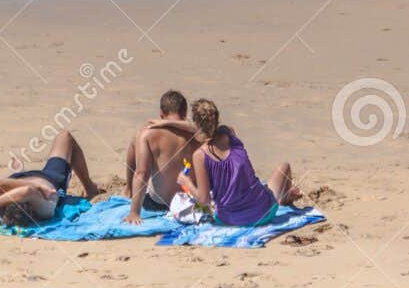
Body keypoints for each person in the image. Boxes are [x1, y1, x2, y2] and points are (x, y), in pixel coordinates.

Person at [0, 130, 103, 231]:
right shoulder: (45, 208)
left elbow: (1, 184)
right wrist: (37, 185)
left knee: (64, 137)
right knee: (65, 137)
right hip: (49, 179)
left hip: (20, 180)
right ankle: (90, 188)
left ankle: (89, 188)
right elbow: (26, 191)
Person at [183, 98, 300, 227]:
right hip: (264, 213)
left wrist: (186, 182)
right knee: (284, 166)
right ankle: (286, 197)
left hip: (229, 220)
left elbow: (204, 199)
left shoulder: (199, 155)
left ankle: (285, 196)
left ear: (196, 124)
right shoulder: (229, 133)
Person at [124, 90, 199, 224]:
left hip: (159, 203)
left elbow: (142, 173)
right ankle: (129, 189)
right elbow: (209, 128)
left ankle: (128, 189)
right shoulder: (198, 134)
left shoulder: (148, 134)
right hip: (189, 199)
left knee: (136, 141)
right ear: (185, 112)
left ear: (161, 115)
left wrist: (134, 212)